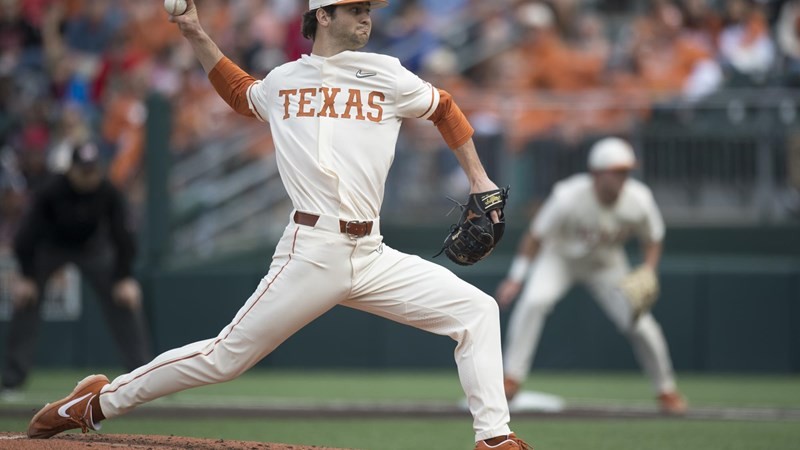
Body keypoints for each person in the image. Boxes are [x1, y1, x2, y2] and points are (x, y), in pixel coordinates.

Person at [26, 1, 533, 448]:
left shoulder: (388, 73)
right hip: (311, 250)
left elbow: (444, 108)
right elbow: (241, 92)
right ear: (323, 15)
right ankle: (95, 404)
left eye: (369, 9)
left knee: (476, 311)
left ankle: (494, 438)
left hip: (373, 252)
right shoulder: (285, 79)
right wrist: (195, 34)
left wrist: (479, 180)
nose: (366, 17)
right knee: (225, 359)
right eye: (354, 8)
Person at [495, 137, 687, 415]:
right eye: (617, 172)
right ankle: (511, 378)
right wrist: (516, 278)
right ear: (596, 173)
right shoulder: (567, 196)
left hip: (606, 263)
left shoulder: (639, 198)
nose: (624, 178)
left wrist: (649, 269)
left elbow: (653, 238)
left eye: (627, 172)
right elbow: (535, 237)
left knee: (642, 325)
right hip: (560, 258)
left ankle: (666, 390)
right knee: (534, 302)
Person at [2, 141, 152, 394]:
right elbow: (26, 236)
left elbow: (123, 236)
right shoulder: (51, 190)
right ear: (71, 170)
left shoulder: (107, 191)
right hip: (51, 248)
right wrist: (26, 276)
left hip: (91, 248)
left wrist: (124, 277)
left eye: (93, 170)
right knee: (26, 300)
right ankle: (12, 379)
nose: (89, 176)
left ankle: (144, 377)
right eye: (83, 170)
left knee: (124, 301)